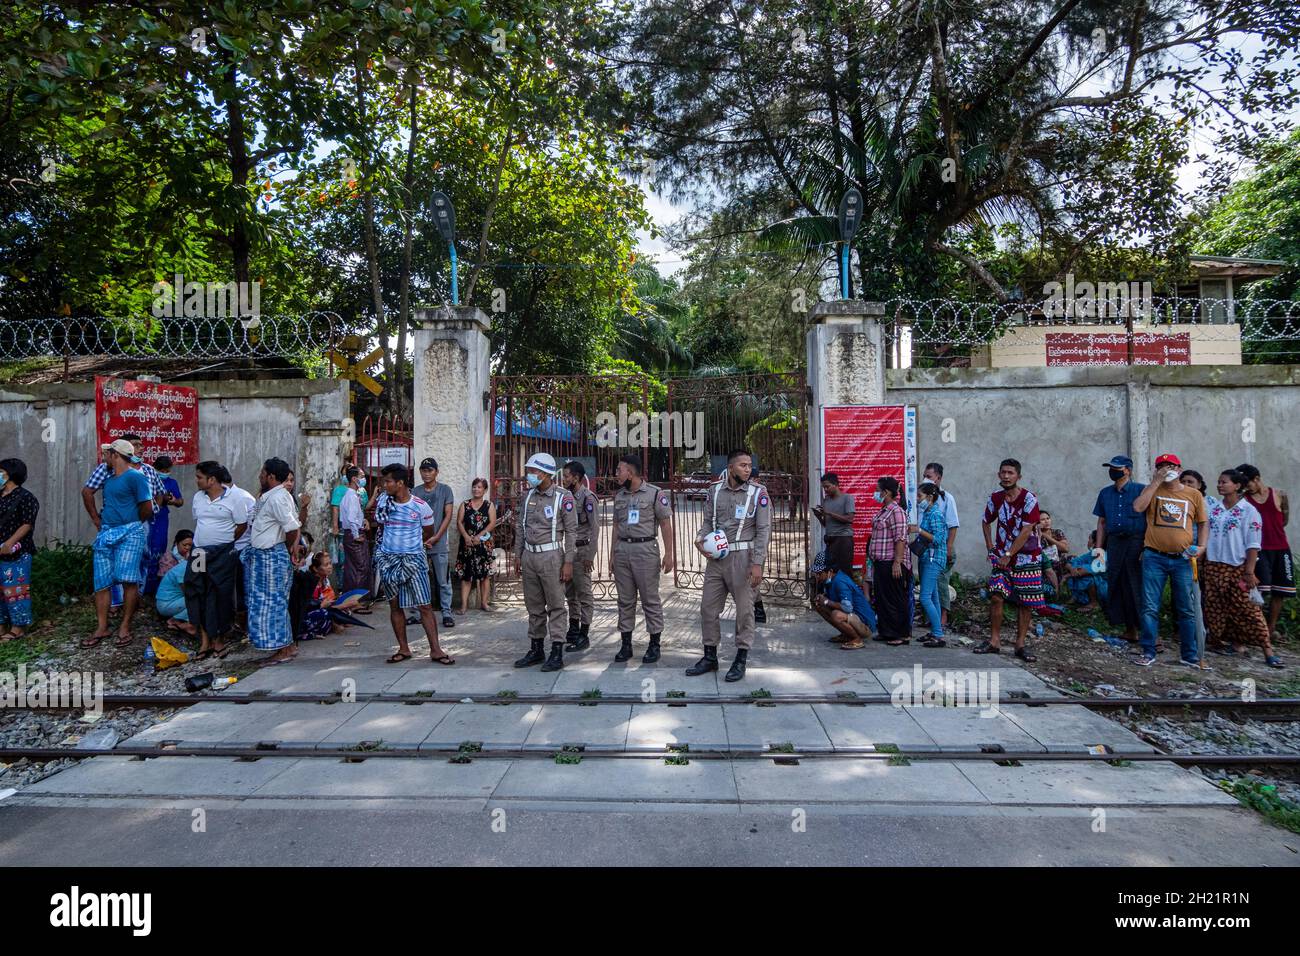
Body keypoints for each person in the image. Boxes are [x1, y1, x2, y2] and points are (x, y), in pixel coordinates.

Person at [690, 449, 770, 681]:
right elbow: (707, 522)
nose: (748, 469)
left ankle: (740, 658)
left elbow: (764, 530)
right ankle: (710, 656)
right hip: (716, 560)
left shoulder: (758, 493)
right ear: (731, 467)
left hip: (743, 559)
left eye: (749, 465)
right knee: (708, 608)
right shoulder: (714, 491)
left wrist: (758, 563)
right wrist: (699, 540)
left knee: (745, 611)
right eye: (743, 465)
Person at [1131, 453, 1208, 667]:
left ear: (1179, 468)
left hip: (1183, 559)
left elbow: (1203, 523)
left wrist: (1201, 547)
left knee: (1186, 608)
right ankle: (1148, 651)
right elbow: (1137, 507)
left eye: (1170, 465)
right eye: (1161, 466)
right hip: (1154, 556)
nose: (1166, 469)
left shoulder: (1193, 495)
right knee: (1149, 606)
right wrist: (1156, 481)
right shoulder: (1152, 490)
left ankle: (1189, 654)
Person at [372, 464, 454, 665]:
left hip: (414, 560)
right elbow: (381, 526)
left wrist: (412, 544)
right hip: (389, 560)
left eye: (388, 481)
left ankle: (436, 650)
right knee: (394, 605)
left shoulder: (419, 506)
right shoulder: (384, 503)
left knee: (425, 606)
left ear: (400, 483)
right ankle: (403, 648)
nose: (385, 485)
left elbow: (428, 531)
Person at [1202, 469, 1283, 667]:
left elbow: (1253, 544)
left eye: (1224, 482)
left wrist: (1249, 571)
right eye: (1219, 482)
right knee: (1215, 608)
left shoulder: (1249, 511)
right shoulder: (1214, 508)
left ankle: (1268, 651)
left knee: (1248, 609)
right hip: (1213, 566)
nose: (1220, 485)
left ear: (1237, 486)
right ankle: (1227, 643)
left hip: (1237, 567)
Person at [604, 454, 675, 662]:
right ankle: (626, 645)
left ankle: (654, 644)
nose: (616, 474)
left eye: (619, 470)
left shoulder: (654, 494)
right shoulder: (620, 496)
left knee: (649, 600)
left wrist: (669, 554)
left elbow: (665, 524)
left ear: (631, 472)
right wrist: (612, 555)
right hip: (623, 550)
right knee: (625, 600)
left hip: (645, 550)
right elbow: (616, 527)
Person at [84, 439, 153, 648]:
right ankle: (102, 627)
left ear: (115, 455)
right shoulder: (110, 479)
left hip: (130, 532)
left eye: (106, 454)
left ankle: (125, 626)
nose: (103, 457)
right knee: (101, 581)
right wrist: (98, 520)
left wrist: (131, 523)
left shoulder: (136, 477)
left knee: (128, 579)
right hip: (107, 532)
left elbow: (147, 507)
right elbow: (87, 492)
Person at [976, 458, 1043, 661]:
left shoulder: (1029, 500)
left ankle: (1020, 644)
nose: (1006, 476)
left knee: (1025, 601)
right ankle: (994, 641)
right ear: (999, 475)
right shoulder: (995, 498)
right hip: (1002, 556)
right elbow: (986, 522)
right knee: (996, 595)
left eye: (1010, 473)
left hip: (1026, 557)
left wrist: (1008, 554)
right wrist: (990, 548)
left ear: (1018, 476)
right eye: (1003, 472)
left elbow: (1026, 530)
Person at [184, 460, 249, 660]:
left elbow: (242, 525)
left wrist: (225, 542)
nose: (196, 481)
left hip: (222, 553)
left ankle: (219, 639)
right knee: (196, 589)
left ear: (211, 480)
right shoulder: (198, 498)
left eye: (199, 477)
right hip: (199, 552)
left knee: (221, 594)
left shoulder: (235, 499)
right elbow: (200, 522)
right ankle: (204, 639)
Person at [242, 458, 301, 664]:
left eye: (263, 472)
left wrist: (286, 548)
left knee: (271, 603)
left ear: (271, 477)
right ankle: (287, 646)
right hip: (265, 555)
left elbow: (291, 527)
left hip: (270, 556)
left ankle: (282, 649)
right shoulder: (274, 496)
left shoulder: (277, 498)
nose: (260, 475)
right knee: (273, 602)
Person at [1237, 463, 1293, 644]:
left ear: (1257, 479)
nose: (1246, 488)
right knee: (1260, 590)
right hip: (1259, 549)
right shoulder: (1244, 500)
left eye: (1248, 484)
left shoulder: (1279, 495)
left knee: (1281, 590)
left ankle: (1271, 628)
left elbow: (1284, 520)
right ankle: (1256, 628)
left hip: (1281, 548)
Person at [1093, 454, 1146, 644]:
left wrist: (1145, 547)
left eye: (1118, 468)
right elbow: (1101, 522)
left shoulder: (1142, 490)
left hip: (1136, 542)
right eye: (1111, 467)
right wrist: (1098, 548)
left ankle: (1148, 633)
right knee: (1116, 584)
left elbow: (1150, 521)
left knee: (1136, 586)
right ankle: (1129, 629)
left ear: (1128, 470)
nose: (1113, 471)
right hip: (1114, 542)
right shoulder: (1105, 493)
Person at [866, 475, 911, 646]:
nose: (875, 494)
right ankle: (887, 631)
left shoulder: (896, 511)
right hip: (880, 563)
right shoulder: (883, 511)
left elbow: (900, 538)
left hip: (892, 562)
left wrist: (897, 562)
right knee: (883, 598)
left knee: (895, 598)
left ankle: (900, 634)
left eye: (877, 491)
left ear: (886, 492)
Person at [412, 458, 456, 628]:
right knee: (417, 580)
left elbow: (448, 515)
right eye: (424, 470)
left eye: (430, 470)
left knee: (443, 580)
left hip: (439, 543)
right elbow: (413, 517)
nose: (426, 473)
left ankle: (446, 613)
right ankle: (416, 613)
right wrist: (422, 538)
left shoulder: (445, 490)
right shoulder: (415, 492)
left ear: (436, 472)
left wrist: (436, 537)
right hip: (419, 544)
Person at [561, 461, 599, 651]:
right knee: (570, 593)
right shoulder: (566, 497)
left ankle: (584, 634)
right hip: (569, 551)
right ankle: (573, 628)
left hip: (583, 550)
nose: (564, 479)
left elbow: (595, 529)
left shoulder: (588, 498)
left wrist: (590, 556)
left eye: (567, 476)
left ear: (576, 477)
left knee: (584, 593)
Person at [0, 458, 38, 643]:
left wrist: (10, 542)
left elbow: (27, 524)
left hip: (17, 552)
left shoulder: (26, 497)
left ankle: (18, 627)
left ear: (11, 474)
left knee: (15, 589)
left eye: (1, 471)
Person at [909, 481, 948, 647]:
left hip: (934, 559)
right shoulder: (927, 513)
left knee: (925, 598)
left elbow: (939, 539)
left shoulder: (936, 514)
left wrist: (919, 530)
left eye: (920, 496)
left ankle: (938, 634)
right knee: (933, 597)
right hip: (926, 557)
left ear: (930, 497)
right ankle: (935, 631)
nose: (918, 500)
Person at [810, 550, 876, 648]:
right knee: (819, 606)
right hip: (854, 618)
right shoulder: (830, 580)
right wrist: (822, 599)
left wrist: (826, 601)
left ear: (830, 571)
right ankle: (847, 635)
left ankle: (857, 640)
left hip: (865, 624)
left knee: (836, 615)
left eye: (819, 573)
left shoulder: (840, 581)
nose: (817, 576)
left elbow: (847, 608)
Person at [922, 463, 959, 629]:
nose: (925, 479)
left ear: (938, 478)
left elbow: (952, 525)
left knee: (941, 583)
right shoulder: (923, 498)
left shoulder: (946, 499)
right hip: (926, 549)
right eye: (925, 475)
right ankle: (932, 620)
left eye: (929, 476)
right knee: (930, 588)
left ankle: (942, 618)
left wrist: (949, 547)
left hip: (940, 549)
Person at [144, 455, 183, 595]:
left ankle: (154, 589)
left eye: (168, 470)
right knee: (145, 551)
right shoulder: (146, 479)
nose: (165, 473)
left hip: (161, 519)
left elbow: (180, 501)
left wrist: (172, 501)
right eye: (163, 470)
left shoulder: (171, 482)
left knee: (159, 551)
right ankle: (142, 589)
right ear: (155, 468)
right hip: (146, 518)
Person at [456, 478, 497, 612]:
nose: (476, 489)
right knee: (466, 576)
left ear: (485, 490)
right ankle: (463, 606)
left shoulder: (489, 505)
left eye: (479, 487)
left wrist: (480, 536)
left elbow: (492, 523)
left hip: (483, 544)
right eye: (474, 487)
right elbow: (459, 522)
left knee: (485, 576)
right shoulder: (465, 504)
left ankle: (484, 603)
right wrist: (466, 537)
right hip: (467, 544)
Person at [332, 465, 372, 601]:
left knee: (351, 568)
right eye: (361, 477)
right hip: (354, 534)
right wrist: (356, 535)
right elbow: (351, 518)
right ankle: (358, 601)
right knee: (361, 567)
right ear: (354, 479)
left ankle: (349, 600)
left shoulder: (348, 495)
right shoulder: (352, 496)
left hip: (349, 533)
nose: (363, 479)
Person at [813, 473, 855, 575]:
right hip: (830, 541)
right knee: (830, 571)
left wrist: (829, 513)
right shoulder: (826, 500)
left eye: (827, 487)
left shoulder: (847, 498)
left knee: (844, 572)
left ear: (836, 484)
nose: (825, 490)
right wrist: (819, 516)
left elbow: (850, 519)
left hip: (843, 540)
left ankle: (845, 591)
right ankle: (832, 591)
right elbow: (827, 524)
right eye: (824, 487)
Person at [155, 529, 194, 635]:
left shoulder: (187, 564)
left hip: (171, 600)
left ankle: (178, 620)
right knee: (197, 599)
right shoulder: (183, 566)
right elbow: (187, 591)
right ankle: (177, 621)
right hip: (166, 604)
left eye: (190, 545)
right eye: (184, 544)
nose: (187, 548)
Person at [1062, 531, 1107, 611]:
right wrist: (1072, 569)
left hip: (1105, 589)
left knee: (1087, 578)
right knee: (1074, 566)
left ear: (1095, 543)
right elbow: (1070, 563)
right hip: (1097, 587)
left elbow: (1084, 571)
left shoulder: (1104, 556)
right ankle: (1076, 598)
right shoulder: (1091, 554)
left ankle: (1094, 603)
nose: (1088, 541)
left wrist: (1067, 575)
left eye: (1089, 539)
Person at [1036, 511, 1070, 595]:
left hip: (1060, 563)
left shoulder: (1057, 532)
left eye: (1048, 518)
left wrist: (1047, 536)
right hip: (1046, 565)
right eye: (1042, 520)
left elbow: (1065, 549)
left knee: (1072, 559)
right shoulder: (1035, 535)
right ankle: (1056, 592)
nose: (1046, 521)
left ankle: (1063, 586)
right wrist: (1039, 534)